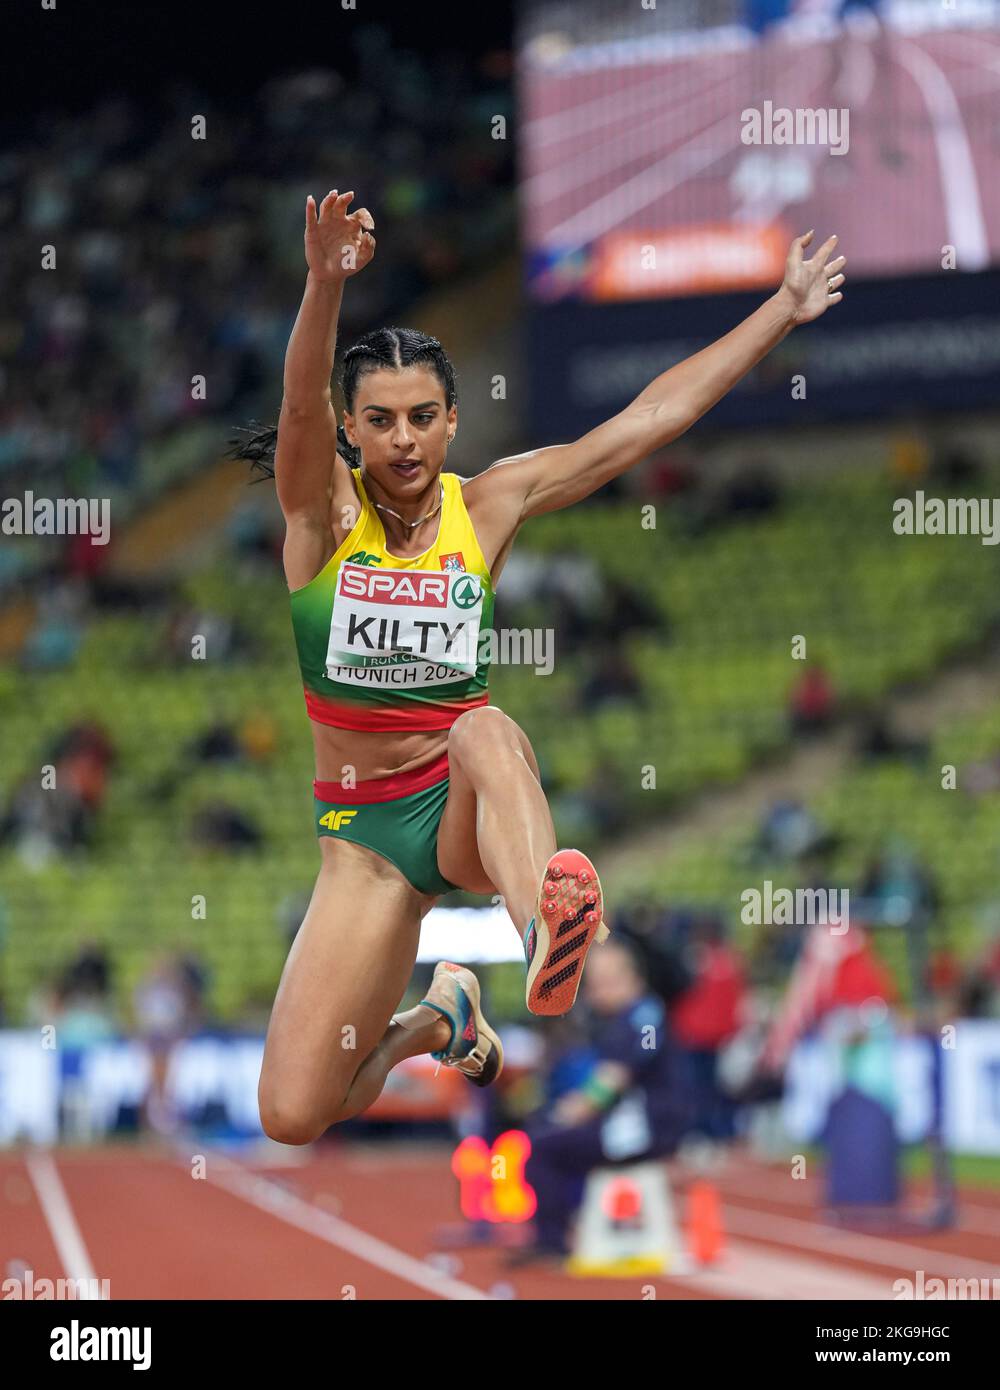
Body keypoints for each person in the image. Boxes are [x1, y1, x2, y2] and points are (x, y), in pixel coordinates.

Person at [230, 189, 846, 1144]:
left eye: (423, 417)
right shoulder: (323, 518)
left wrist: (778, 310)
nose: (404, 441)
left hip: (465, 803)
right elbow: (296, 405)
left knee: (481, 723)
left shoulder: (491, 507)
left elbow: (644, 423)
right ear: (350, 431)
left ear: (451, 421)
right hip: (364, 845)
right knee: (294, 1113)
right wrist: (322, 283)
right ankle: (446, 1017)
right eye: (382, 421)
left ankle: (548, 937)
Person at [517, 937, 689, 1263]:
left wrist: (569, 1112)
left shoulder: (642, 1018)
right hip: (634, 1125)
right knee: (551, 1135)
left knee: (543, 1145)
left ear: (633, 978)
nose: (598, 993)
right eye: (594, 985)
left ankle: (551, 1241)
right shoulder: (629, 1017)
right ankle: (569, 1223)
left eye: (608, 983)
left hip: (644, 1131)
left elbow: (611, 1081)